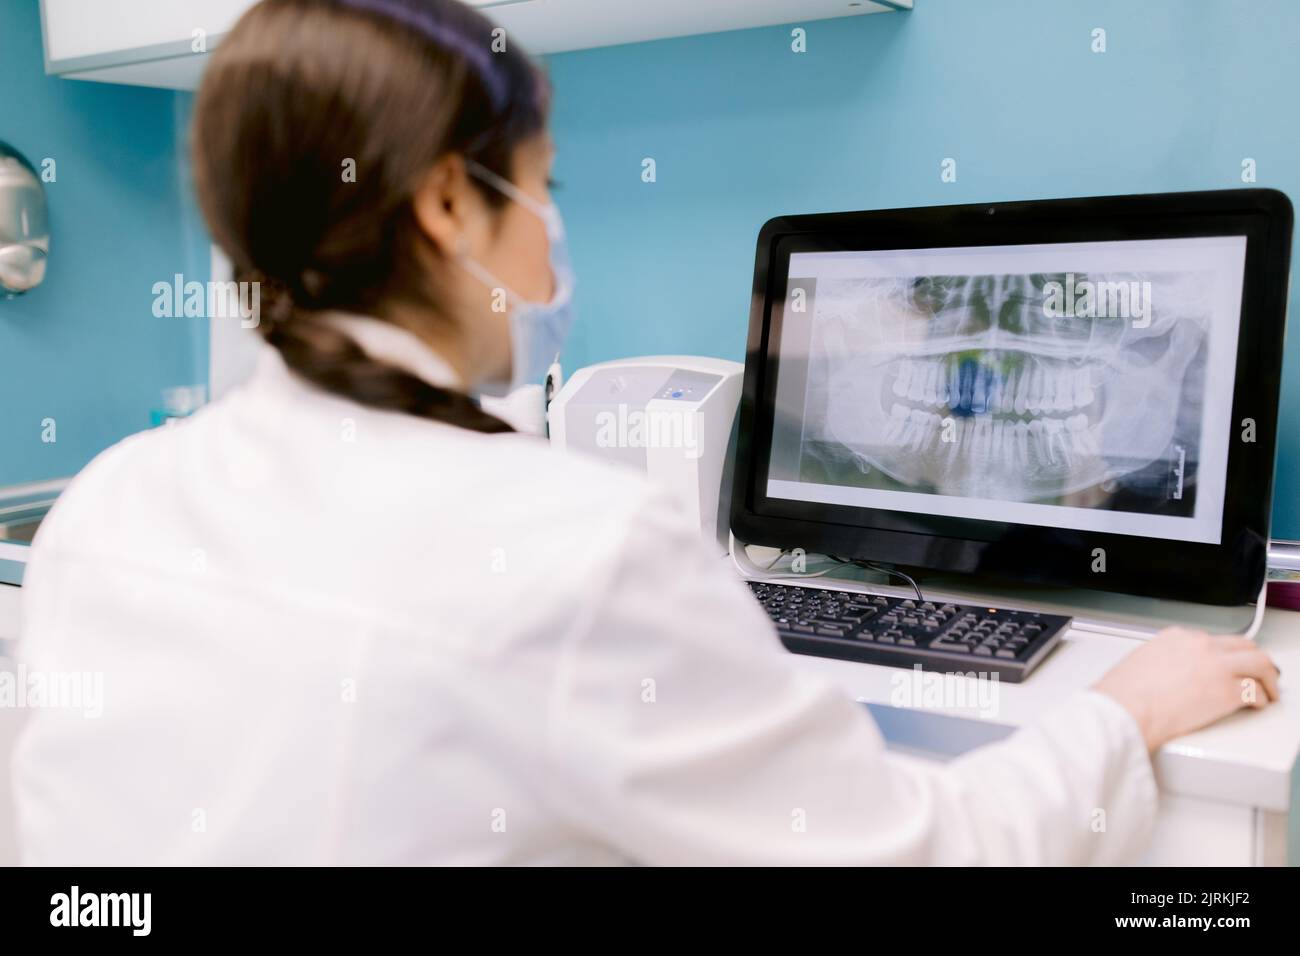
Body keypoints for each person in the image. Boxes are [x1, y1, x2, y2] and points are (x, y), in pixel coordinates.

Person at [11, 0, 1280, 866]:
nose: (554, 232)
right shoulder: (564, 544)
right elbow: (921, 853)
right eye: (543, 184)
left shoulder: (114, 503)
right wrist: (1125, 709)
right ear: (453, 201)